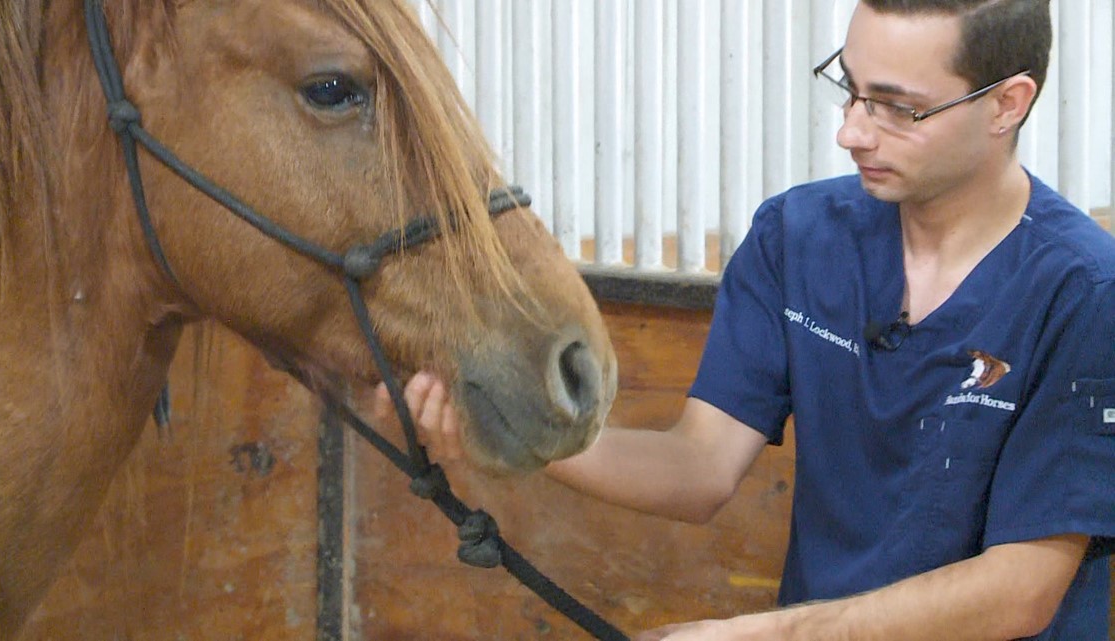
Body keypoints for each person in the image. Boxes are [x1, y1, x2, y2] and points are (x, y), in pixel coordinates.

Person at [377, 1, 1115, 638]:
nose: (852, 132)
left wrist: (765, 633)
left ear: (1007, 104)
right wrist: (513, 426)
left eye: (898, 107)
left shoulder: (1082, 289)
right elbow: (698, 468)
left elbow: (1022, 588)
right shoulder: (797, 235)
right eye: (850, 90)